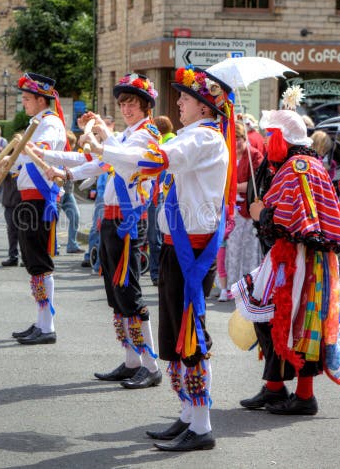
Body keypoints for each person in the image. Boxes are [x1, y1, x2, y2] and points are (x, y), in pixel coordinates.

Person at [93, 66, 235, 451]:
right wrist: (110, 148)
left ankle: (202, 425)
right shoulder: (196, 135)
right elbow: (152, 160)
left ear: (205, 108)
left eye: (186, 99)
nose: (180, 104)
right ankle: (189, 414)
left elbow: (157, 157)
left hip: (192, 246)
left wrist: (104, 146)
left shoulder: (203, 139)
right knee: (176, 330)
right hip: (178, 241)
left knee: (190, 334)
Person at [235, 91, 340, 418]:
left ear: (282, 139)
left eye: (272, 135)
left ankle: (303, 396)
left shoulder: (299, 166)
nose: (268, 141)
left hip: (304, 259)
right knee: (268, 314)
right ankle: (275, 386)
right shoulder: (298, 163)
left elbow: (298, 221)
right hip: (290, 256)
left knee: (299, 322)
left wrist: (262, 213)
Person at [39, 73, 163, 389]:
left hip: (127, 220)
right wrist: (66, 172)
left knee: (129, 292)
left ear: (146, 105)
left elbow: (120, 159)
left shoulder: (147, 135)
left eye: (132, 102)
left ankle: (150, 365)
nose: (126, 108)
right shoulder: (125, 135)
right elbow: (100, 163)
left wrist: (100, 139)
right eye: (122, 103)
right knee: (115, 293)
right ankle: (132, 360)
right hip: (110, 220)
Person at [9, 73, 67, 345]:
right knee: (32, 261)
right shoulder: (36, 124)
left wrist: (22, 148)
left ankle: (47, 326)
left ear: (41, 100)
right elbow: (17, 164)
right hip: (27, 199)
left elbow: (40, 151)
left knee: (40, 262)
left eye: (27, 99)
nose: (24, 104)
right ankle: (42, 321)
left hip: (39, 200)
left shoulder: (50, 123)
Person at [217, 121, 263, 301]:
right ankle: (229, 286)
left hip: (248, 211)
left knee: (250, 250)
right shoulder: (226, 155)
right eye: (233, 139)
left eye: (239, 139)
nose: (236, 143)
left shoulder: (254, 155)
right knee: (231, 250)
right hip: (230, 210)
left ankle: (249, 286)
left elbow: (256, 184)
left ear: (245, 138)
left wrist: (233, 187)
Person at [146, 115, 175, 285]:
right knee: (158, 236)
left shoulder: (167, 143)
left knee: (156, 237)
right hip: (158, 195)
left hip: (161, 195)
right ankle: (159, 272)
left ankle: (157, 273)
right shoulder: (165, 142)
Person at [60, 130, 83, 254]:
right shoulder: (57, 155)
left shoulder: (71, 156)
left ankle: (71, 244)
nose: (72, 148)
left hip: (68, 192)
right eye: (70, 144)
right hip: (58, 192)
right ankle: (52, 244)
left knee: (75, 216)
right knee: (53, 219)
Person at [0, 167, 21, 267]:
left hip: (24, 203)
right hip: (9, 203)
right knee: (12, 231)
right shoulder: (6, 164)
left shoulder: (24, 163)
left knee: (24, 232)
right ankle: (13, 257)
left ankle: (26, 257)